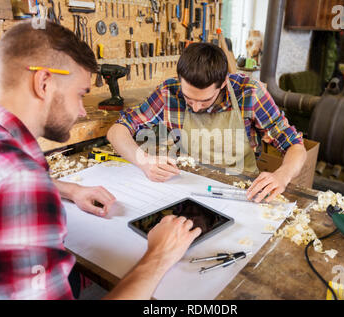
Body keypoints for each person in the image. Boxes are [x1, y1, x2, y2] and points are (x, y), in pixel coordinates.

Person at [0, 20, 200, 300]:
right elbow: (16, 186)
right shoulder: (21, 182)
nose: (82, 113)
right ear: (43, 83)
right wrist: (159, 255)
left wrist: (69, 189)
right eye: (80, 95)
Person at [107, 43, 307, 203]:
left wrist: (283, 174)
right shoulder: (169, 92)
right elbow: (118, 130)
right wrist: (143, 161)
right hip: (188, 187)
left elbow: (294, 144)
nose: (195, 108)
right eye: (189, 99)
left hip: (242, 192)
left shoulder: (250, 93)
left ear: (222, 84)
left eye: (204, 100)